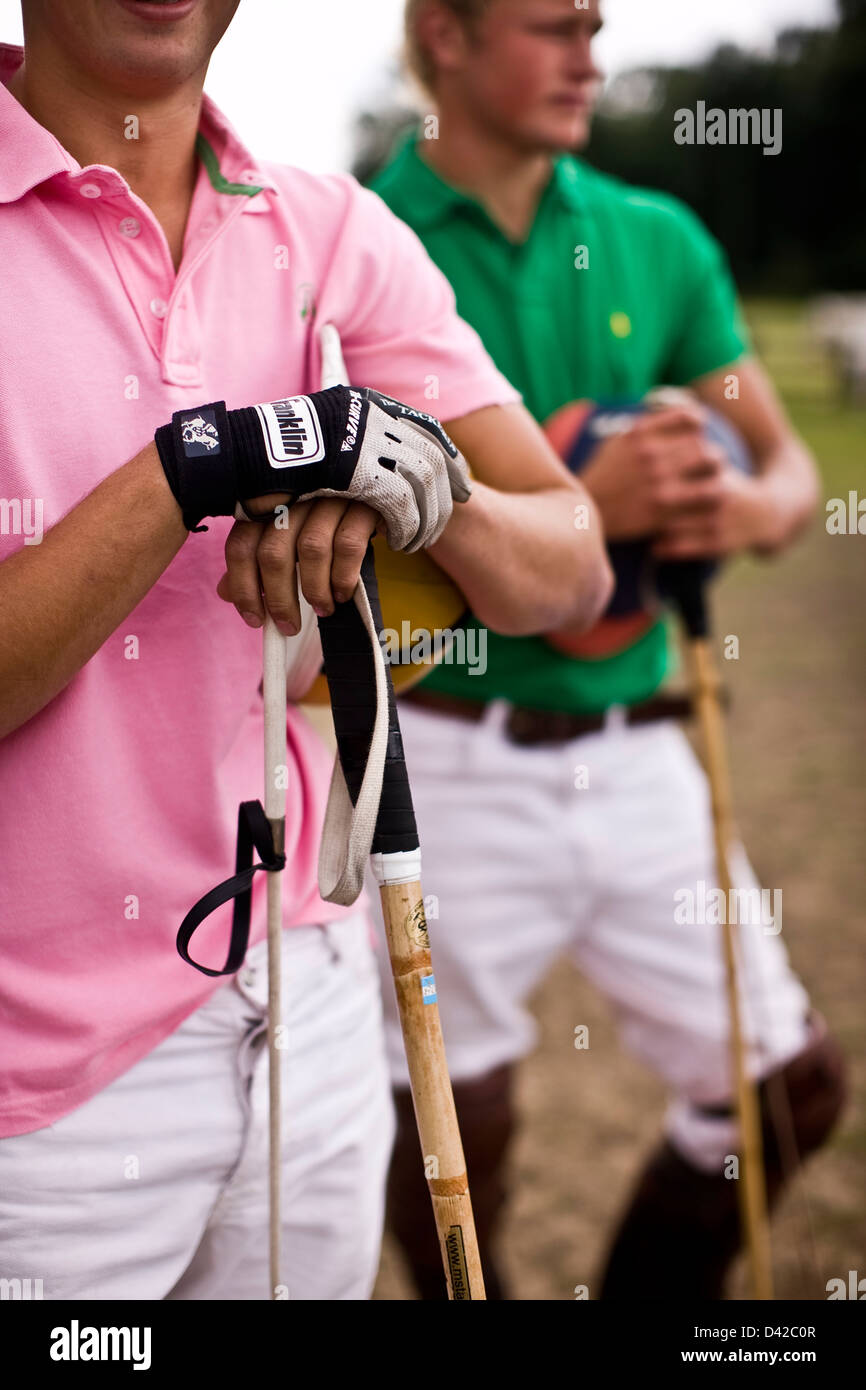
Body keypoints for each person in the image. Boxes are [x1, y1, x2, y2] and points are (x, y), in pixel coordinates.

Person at [0, 0, 612, 1302]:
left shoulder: (326, 226)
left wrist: (416, 480)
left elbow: (569, 559)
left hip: (308, 993)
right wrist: (213, 456)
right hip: (33, 1104)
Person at [368, 0, 847, 1299]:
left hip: (646, 748)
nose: (588, 53)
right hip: (444, 756)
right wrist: (584, 511)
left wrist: (744, 508)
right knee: (443, 1116)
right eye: (549, 24)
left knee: (788, 1087)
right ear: (446, 35)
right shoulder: (354, 238)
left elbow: (789, 464)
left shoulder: (659, 235)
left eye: (596, 23)